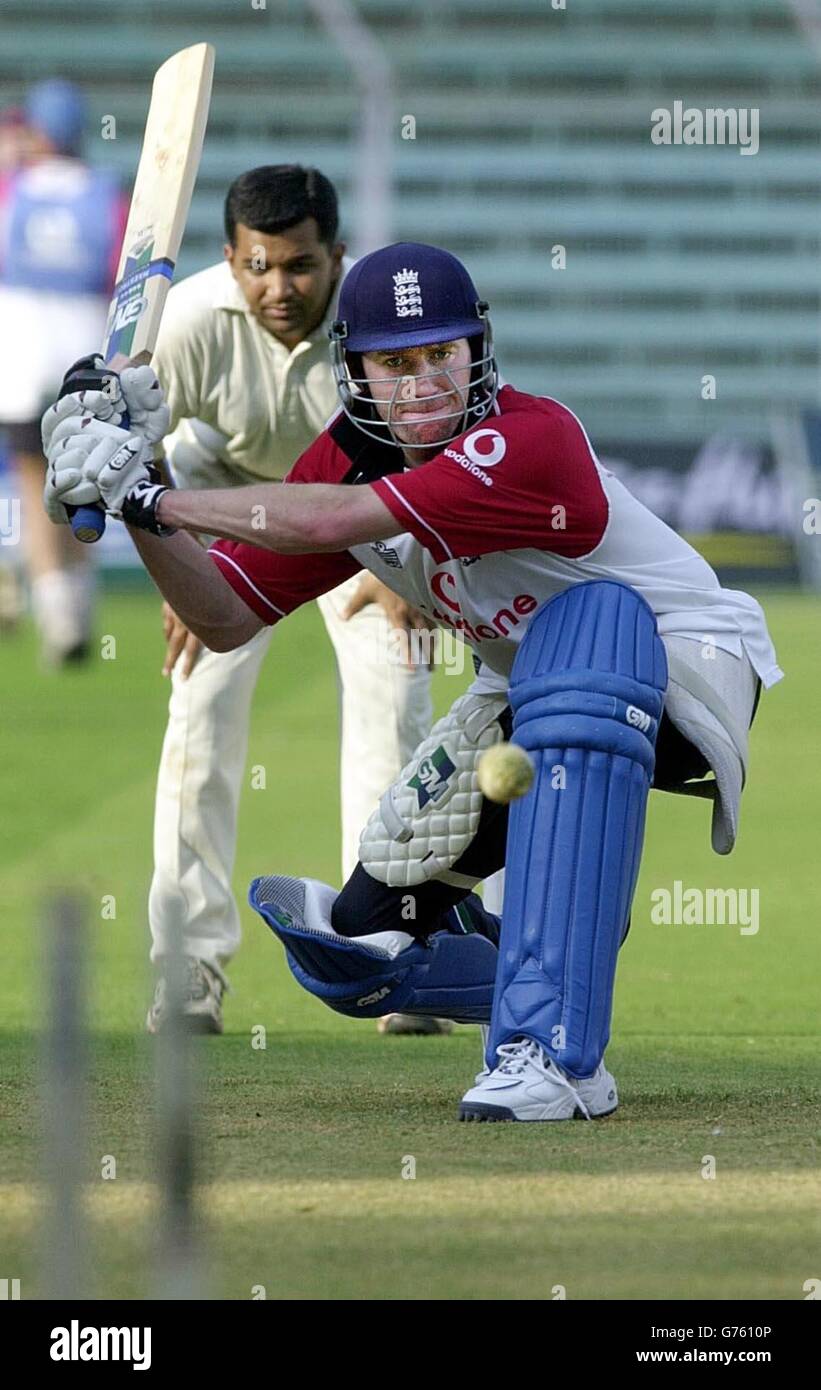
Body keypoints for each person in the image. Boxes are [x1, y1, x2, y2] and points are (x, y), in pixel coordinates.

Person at [42, 242, 782, 1120]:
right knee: (363, 942)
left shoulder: (529, 439)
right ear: (353, 368)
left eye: (441, 354)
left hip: (678, 657)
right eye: (396, 363)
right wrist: (135, 495)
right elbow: (222, 616)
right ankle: (538, 966)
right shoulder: (343, 458)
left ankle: (554, 1059)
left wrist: (156, 495)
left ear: (478, 350)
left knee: (590, 633)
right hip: (522, 684)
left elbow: (347, 518)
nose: (425, 382)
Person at [121, 165, 435, 1035]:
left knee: (398, 700)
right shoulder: (185, 321)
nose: (278, 287)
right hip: (223, 509)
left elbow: (424, 446)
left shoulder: (379, 324)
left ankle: (390, 946)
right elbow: (140, 447)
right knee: (199, 713)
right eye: (258, 266)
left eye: (298, 266)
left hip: (357, 512)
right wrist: (177, 563)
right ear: (230, 259)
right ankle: (190, 963)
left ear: (335, 257)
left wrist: (405, 559)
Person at [0, 79, 125, 664]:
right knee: (84, 482)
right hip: (84, 345)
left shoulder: (12, 188)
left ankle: (55, 613)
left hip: (22, 347)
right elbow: (121, 274)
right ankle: (77, 599)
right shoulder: (106, 194)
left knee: (32, 480)